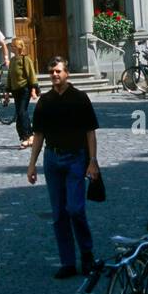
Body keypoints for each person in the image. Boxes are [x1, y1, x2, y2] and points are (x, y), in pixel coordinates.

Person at [27, 57, 100, 279]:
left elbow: (90, 131)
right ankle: (68, 261)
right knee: (59, 214)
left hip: (76, 158)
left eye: (58, 71)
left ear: (67, 73)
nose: (55, 75)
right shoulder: (45, 101)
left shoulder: (80, 98)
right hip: (52, 159)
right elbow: (38, 135)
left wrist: (93, 161)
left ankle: (86, 253)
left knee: (75, 209)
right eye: (51, 72)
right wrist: (32, 164)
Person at [7, 37, 39, 147]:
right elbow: (9, 77)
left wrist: (34, 90)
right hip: (15, 91)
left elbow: (31, 75)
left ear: (19, 47)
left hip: (25, 89)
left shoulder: (26, 59)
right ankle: (26, 136)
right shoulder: (12, 61)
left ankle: (28, 136)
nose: (11, 47)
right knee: (20, 114)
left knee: (22, 112)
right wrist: (7, 92)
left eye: (13, 46)